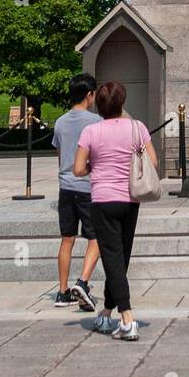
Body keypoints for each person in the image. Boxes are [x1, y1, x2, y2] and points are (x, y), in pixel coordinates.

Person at [73, 81, 159, 340]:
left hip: (103, 199)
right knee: (120, 258)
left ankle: (127, 318)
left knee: (112, 259)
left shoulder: (91, 131)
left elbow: (78, 169)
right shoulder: (137, 127)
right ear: (122, 103)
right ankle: (107, 312)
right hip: (130, 199)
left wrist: (95, 166)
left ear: (98, 106)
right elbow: (153, 161)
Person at [51, 73, 101, 310]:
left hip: (65, 187)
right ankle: (83, 281)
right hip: (87, 186)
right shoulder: (95, 121)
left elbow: (60, 155)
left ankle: (62, 292)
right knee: (96, 237)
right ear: (89, 94)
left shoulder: (60, 122)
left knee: (67, 239)